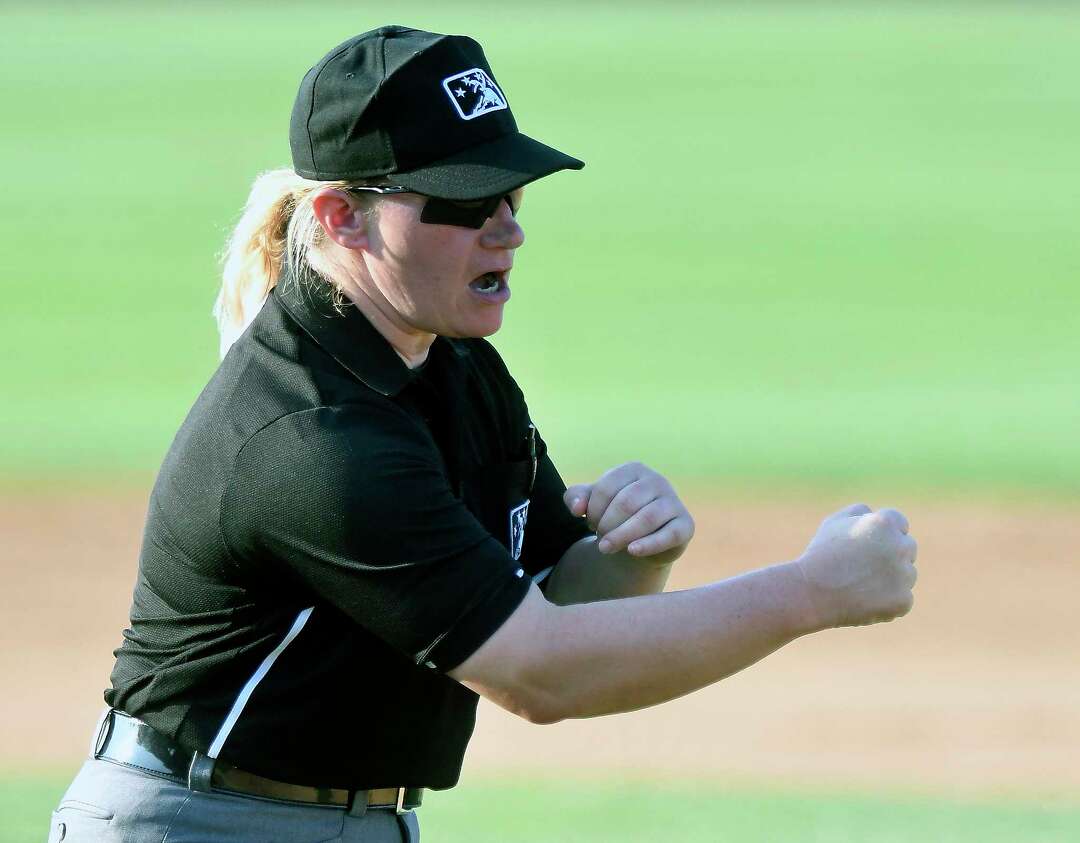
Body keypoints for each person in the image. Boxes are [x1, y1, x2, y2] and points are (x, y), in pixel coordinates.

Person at [47, 25, 918, 843]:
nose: (508, 227)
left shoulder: (454, 366)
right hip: (198, 821)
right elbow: (541, 674)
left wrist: (639, 552)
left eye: (509, 189)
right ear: (341, 216)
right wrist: (814, 592)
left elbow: (553, 594)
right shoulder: (315, 435)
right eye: (464, 200)